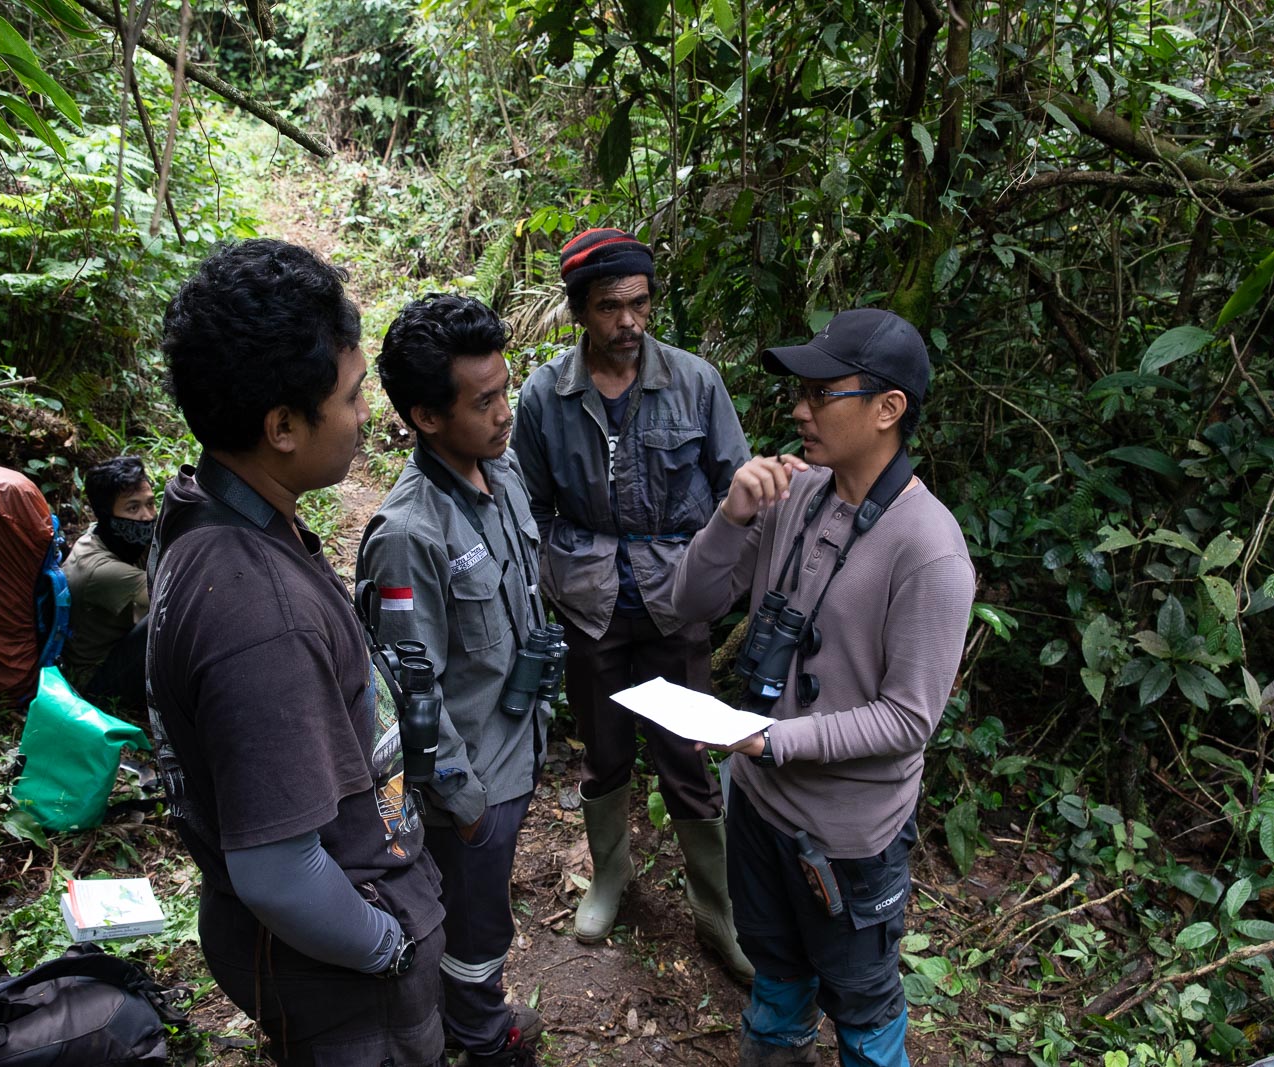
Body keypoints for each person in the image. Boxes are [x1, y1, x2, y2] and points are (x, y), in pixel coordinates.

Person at [146, 239, 446, 1065]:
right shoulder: (258, 614)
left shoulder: (209, 510)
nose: (367, 417)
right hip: (341, 969)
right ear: (281, 426)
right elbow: (279, 871)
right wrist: (389, 947)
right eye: (351, 397)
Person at [671, 308, 976, 1067]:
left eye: (821, 393)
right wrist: (731, 516)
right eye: (798, 393)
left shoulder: (930, 548)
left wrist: (775, 738)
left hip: (844, 837)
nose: (799, 411)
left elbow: (908, 718)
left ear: (887, 409)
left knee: (865, 1009)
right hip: (760, 803)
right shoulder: (794, 494)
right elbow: (689, 603)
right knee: (774, 975)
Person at [510, 227, 754, 981]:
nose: (628, 322)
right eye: (610, 307)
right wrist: (560, 571)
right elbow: (528, 503)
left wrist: (718, 581)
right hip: (589, 601)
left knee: (686, 753)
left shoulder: (694, 382)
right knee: (606, 747)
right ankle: (611, 877)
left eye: (640, 303)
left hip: (677, 596)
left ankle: (718, 907)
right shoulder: (546, 396)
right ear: (580, 310)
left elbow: (736, 489)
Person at [357, 294, 547, 1066]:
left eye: (506, 388)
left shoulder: (500, 475)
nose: (506, 412)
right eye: (486, 400)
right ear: (425, 417)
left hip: (514, 752)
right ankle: (476, 1034)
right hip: (466, 791)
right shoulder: (407, 535)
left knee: (482, 914)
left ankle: (466, 1014)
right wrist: (466, 807)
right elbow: (407, 696)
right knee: (470, 928)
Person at [61, 456, 155, 715]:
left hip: (119, 645)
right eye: (133, 508)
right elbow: (182, 597)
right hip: (96, 681)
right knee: (170, 614)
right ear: (107, 515)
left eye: (150, 503)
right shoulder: (100, 570)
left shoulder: (113, 537)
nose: (147, 516)